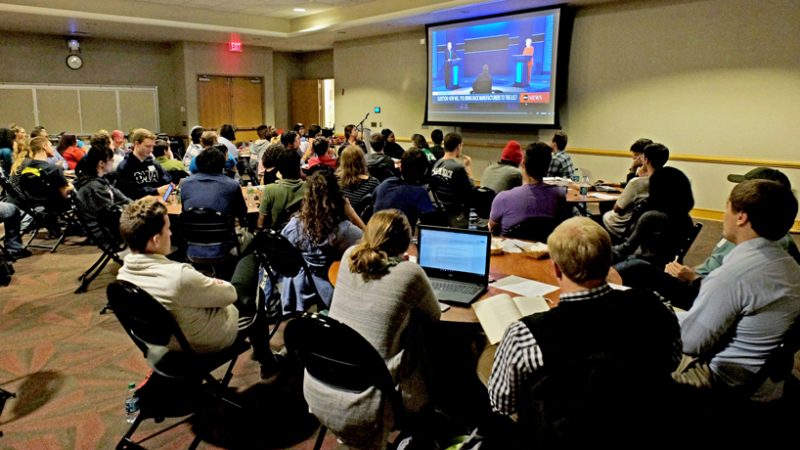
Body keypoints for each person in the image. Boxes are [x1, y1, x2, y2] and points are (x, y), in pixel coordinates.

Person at [487, 217, 680, 446]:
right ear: (609, 261)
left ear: (555, 268)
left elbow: (502, 404)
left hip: (558, 434)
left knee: (486, 359)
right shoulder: (653, 304)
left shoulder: (525, 335)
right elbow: (673, 360)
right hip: (646, 423)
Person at [303, 209, 441, 449]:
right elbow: (434, 316)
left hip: (320, 382)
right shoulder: (410, 273)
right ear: (405, 243)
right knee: (418, 337)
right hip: (368, 397)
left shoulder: (349, 257)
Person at [116, 197, 281, 381]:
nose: (171, 233)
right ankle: (268, 362)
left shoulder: (122, 278)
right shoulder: (179, 276)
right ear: (155, 240)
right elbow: (230, 295)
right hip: (208, 340)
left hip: (168, 343)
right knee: (252, 278)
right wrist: (215, 283)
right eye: (167, 229)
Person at [674, 179, 800, 401]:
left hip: (722, 382)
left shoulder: (734, 275)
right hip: (765, 382)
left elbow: (691, 342)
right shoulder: (791, 266)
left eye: (727, 207)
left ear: (741, 217)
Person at [617, 167, 800, 311]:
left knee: (637, 269)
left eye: (745, 190)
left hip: (702, 291)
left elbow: (731, 291)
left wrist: (693, 278)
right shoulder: (741, 233)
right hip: (697, 281)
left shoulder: (766, 244)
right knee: (637, 270)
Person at [280, 170, 363, 311]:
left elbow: (283, 250)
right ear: (337, 197)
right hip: (333, 288)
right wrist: (351, 213)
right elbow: (372, 243)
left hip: (301, 288)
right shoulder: (345, 231)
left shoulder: (294, 226)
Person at [612, 166, 695, 269]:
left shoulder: (651, 217)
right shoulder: (686, 219)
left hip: (642, 266)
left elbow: (627, 248)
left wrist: (605, 249)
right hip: (668, 268)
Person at [488, 142, 570, 236]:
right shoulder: (561, 196)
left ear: (523, 163)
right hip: (547, 245)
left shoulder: (503, 198)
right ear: (548, 167)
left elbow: (491, 227)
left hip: (510, 245)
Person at [602, 142, 669, 240]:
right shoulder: (669, 181)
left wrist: (637, 177)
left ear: (646, 160)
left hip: (627, 227)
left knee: (604, 216)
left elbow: (617, 209)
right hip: (654, 228)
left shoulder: (636, 183)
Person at [73, 136, 132, 232]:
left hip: (106, 226)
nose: (113, 161)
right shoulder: (95, 187)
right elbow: (110, 214)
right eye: (111, 159)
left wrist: (137, 206)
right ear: (101, 163)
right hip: (105, 230)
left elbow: (121, 198)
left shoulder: (100, 180)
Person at [373, 148, 435, 228]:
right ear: (425, 171)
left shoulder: (385, 184)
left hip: (374, 232)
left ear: (400, 167)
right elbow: (429, 224)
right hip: (400, 235)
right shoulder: (420, 194)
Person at [257, 145, 305, 230]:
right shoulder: (309, 187)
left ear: (279, 169)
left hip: (277, 233)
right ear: (299, 168)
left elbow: (260, 224)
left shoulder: (270, 189)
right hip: (302, 231)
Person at [115, 128, 171, 200]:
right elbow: (130, 192)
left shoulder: (154, 164)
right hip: (137, 204)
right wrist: (155, 191)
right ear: (137, 144)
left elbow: (167, 179)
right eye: (148, 146)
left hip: (158, 202)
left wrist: (167, 189)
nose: (151, 150)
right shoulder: (125, 167)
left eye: (152, 146)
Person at [431, 132, 473, 217]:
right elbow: (471, 190)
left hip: (439, 210)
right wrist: (468, 167)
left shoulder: (436, 164)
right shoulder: (458, 167)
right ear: (458, 146)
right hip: (456, 213)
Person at [337, 145, 380, 215]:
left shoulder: (335, 181)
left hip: (342, 219)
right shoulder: (372, 183)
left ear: (342, 162)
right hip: (366, 220)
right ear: (362, 161)